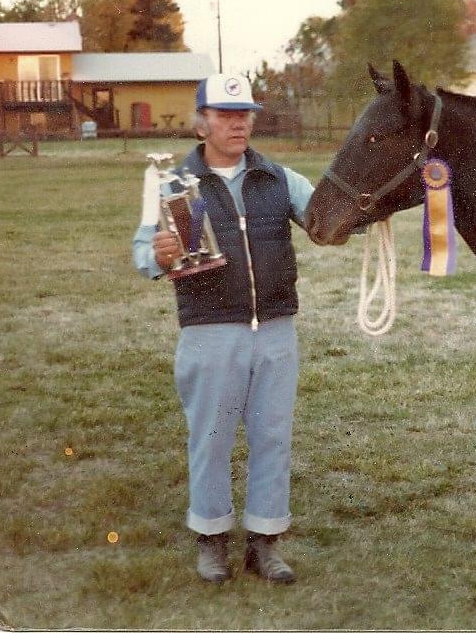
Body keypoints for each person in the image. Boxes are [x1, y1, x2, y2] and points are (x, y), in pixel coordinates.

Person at [131, 73, 315, 584]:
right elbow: (142, 253)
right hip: (210, 331)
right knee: (211, 438)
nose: (238, 123)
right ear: (200, 123)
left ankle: (265, 542)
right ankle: (211, 540)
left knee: (272, 435)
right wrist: (159, 254)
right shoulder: (173, 186)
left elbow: (326, 218)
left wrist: (369, 207)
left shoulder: (280, 178)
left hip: (276, 327)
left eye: (245, 113)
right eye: (225, 114)